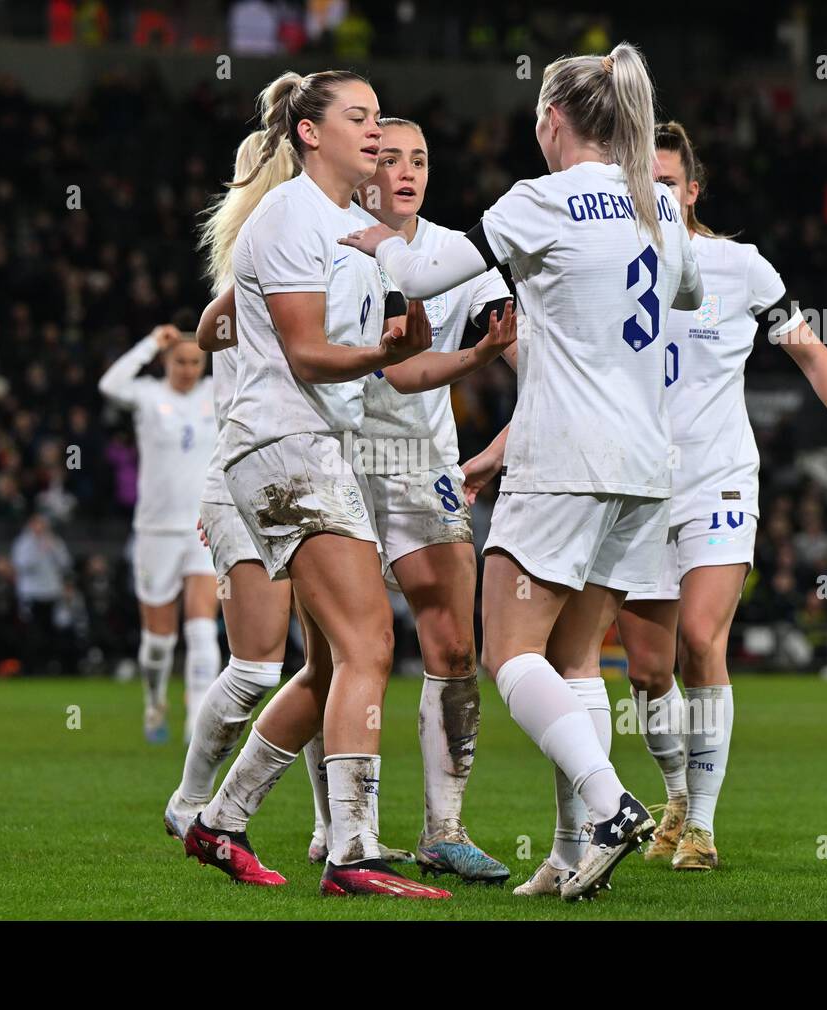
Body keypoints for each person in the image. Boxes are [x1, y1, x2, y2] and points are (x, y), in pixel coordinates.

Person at [343, 43, 702, 901]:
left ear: (551, 119)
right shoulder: (660, 202)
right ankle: (573, 850)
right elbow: (685, 295)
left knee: (508, 652)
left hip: (567, 456)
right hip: (647, 466)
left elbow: (427, 270)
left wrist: (373, 244)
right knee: (576, 661)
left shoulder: (541, 199)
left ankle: (612, 807)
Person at [589, 123, 827, 871]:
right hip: (634, 485)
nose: (656, 193)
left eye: (669, 181)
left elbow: (813, 355)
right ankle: (677, 795)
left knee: (701, 639)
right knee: (651, 670)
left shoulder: (740, 266)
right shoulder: (606, 265)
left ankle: (703, 830)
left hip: (718, 476)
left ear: (693, 189)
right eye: (641, 182)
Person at [180, 69, 446, 899]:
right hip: (287, 446)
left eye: (379, 117)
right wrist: (386, 352)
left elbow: (350, 364)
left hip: (312, 444)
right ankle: (354, 853)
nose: (375, 132)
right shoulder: (294, 216)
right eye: (359, 118)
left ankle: (219, 822)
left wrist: (426, 350)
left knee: (331, 666)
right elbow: (305, 354)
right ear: (309, 133)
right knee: (372, 643)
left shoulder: (348, 226)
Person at [299, 117, 517, 883]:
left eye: (420, 158)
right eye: (389, 157)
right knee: (337, 653)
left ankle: (444, 831)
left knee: (454, 644)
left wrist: (530, 407)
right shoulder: (325, 242)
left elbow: (515, 344)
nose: (406, 171)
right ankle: (338, 826)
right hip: (336, 457)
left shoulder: (457, 255)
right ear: (362, 167)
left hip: (423, 463)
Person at [162, 128, 297, 839]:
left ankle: (339, 828)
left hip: (308, 470)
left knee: (330, 663)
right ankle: (189, 801)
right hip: (251, 475)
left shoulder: (289, 253)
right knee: (257, 668)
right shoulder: (255, 269)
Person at [99, 316, 220, 743]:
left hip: (202, 528)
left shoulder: (215, 394)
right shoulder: (148, 397)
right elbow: (109, 385)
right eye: (180, 361)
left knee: (202, 626)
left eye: (195, 361)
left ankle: (198, 721)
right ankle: (154, 701)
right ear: (167, 362)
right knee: (158, 640)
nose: (188, 369)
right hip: (154, 531)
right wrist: (151, 342)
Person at [10, 513, 73, 675]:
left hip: (51, 593)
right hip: (32, 594)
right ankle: (32, 667)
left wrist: (51, 547)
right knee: (33, 633)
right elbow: (22, 565)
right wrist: (38, 550)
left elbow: (65, 563)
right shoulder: (23, 543)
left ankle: (50, 666)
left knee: (51, 633)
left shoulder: (54, 541)